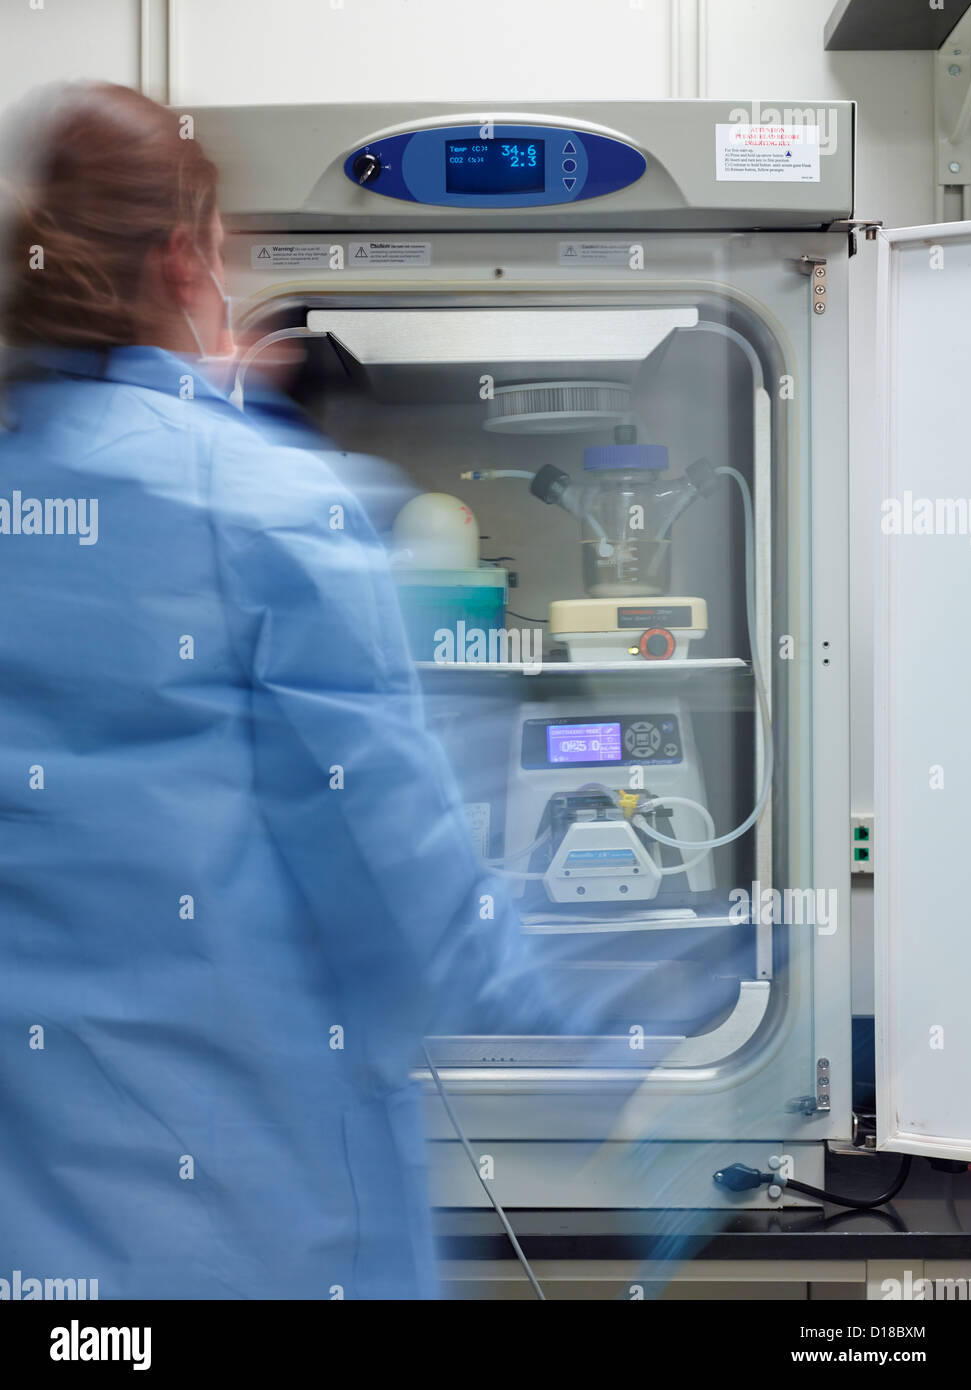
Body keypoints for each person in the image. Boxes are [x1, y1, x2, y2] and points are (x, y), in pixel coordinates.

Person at [0, 82, 566, 1300]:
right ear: (185, 255)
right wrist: (596, 1014)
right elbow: (406, 868)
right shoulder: (263, 503)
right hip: (249, 1218)